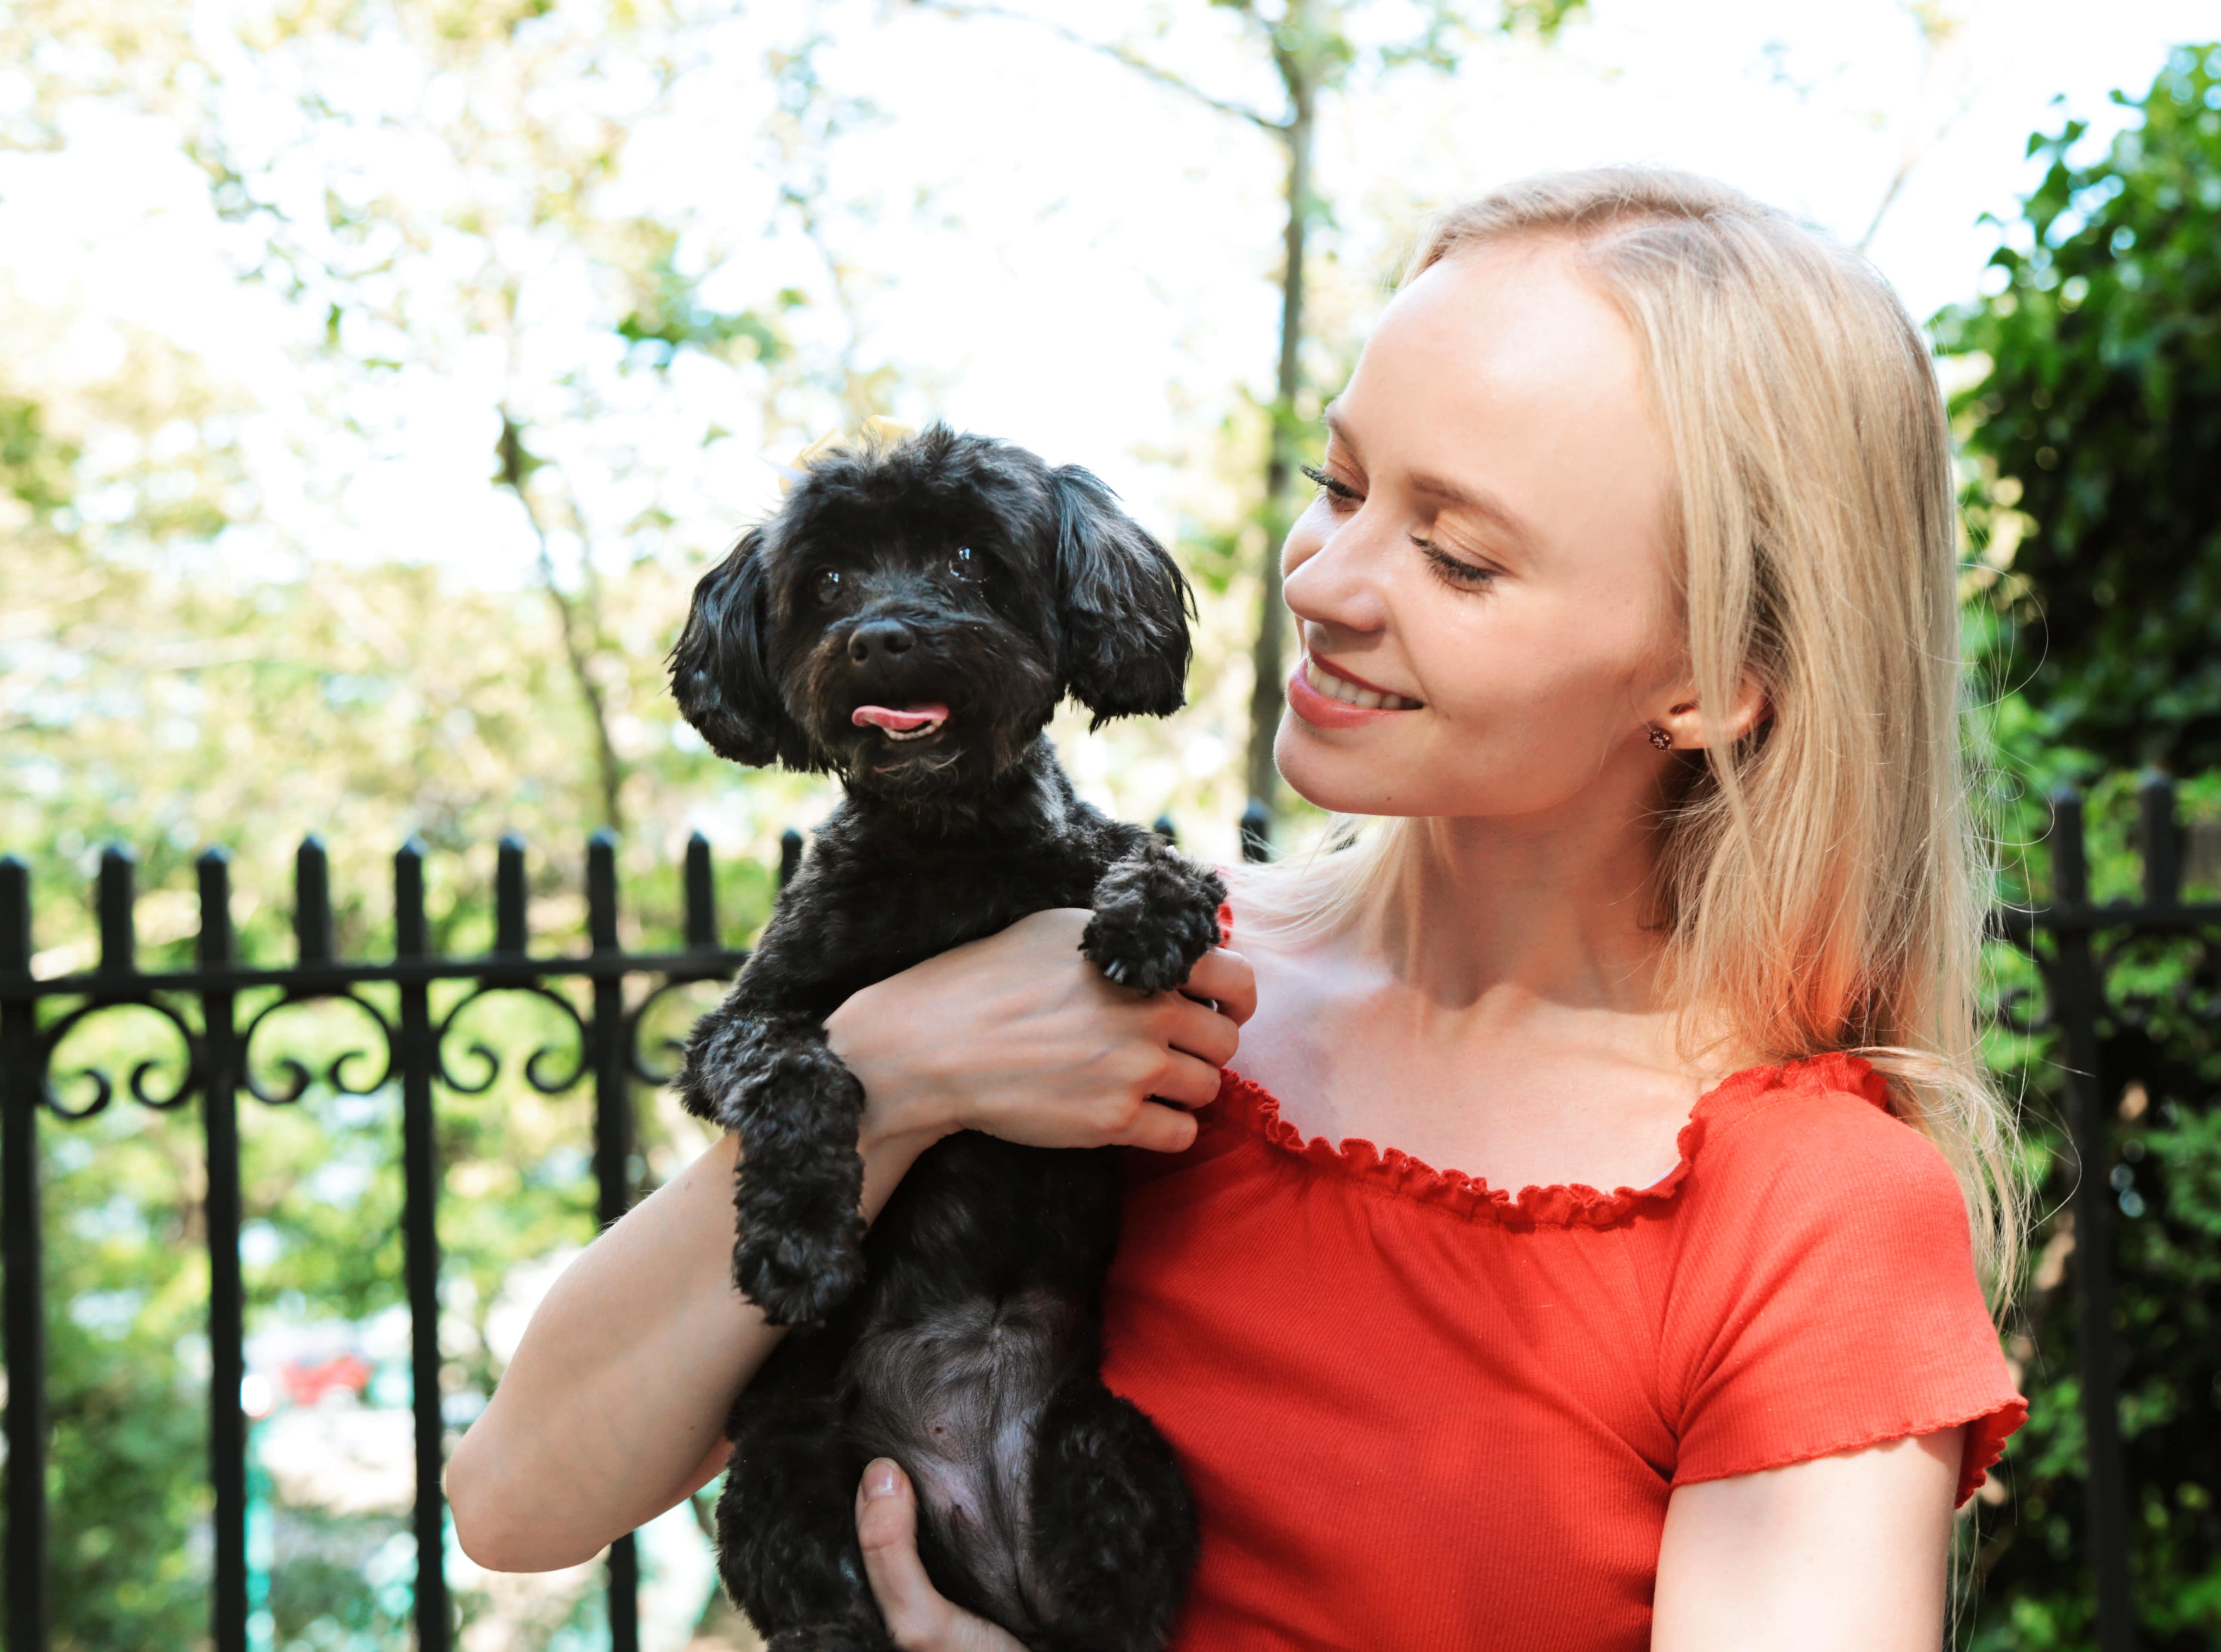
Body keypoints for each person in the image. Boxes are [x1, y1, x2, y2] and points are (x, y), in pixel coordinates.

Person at [444, 166, 2027, 1652]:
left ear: (1713, 679)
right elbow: (522, 1501)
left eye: (1460, 557)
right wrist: (900, 1076)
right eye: (1336, 487)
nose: (1327, 582)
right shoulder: (1089, 986)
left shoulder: (1805, 1218)